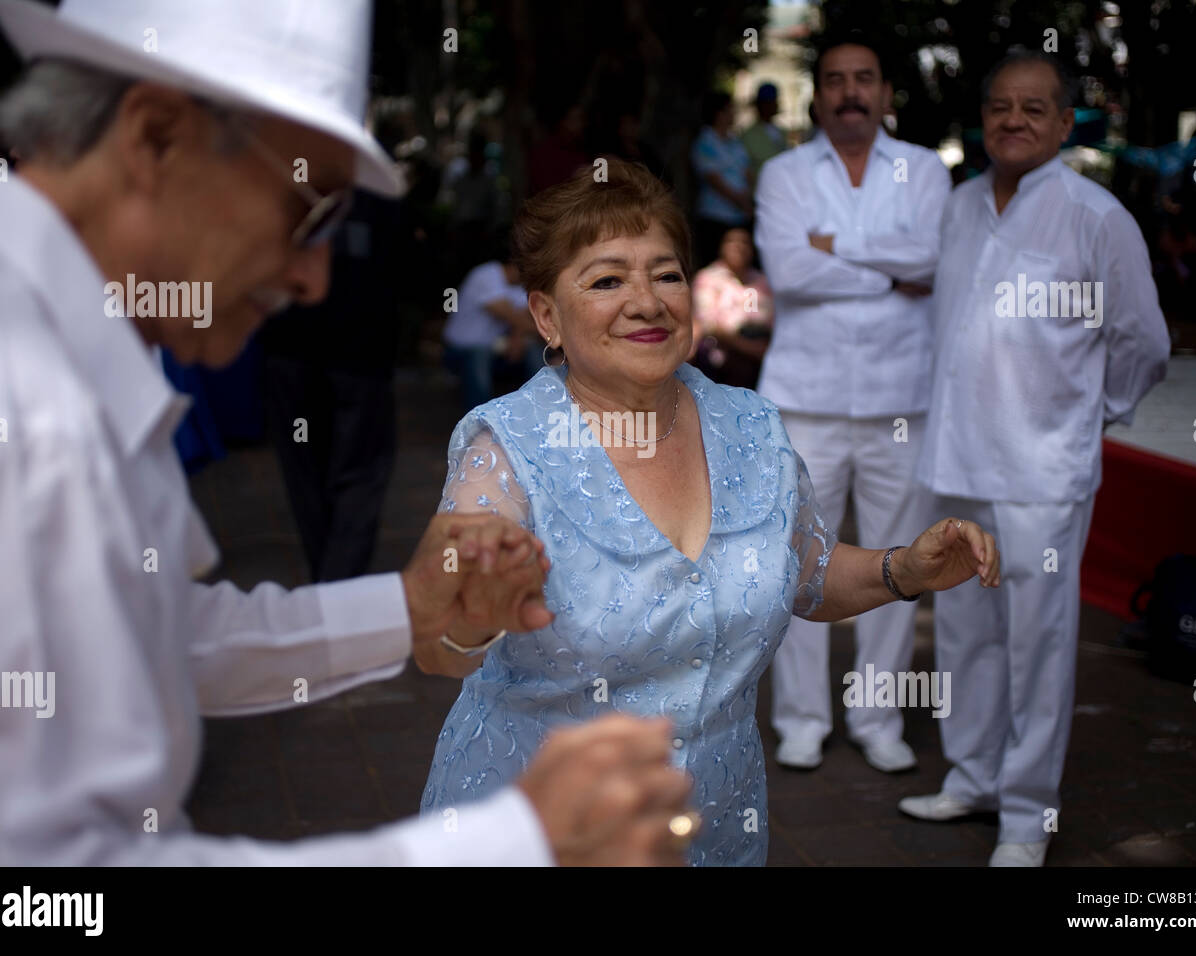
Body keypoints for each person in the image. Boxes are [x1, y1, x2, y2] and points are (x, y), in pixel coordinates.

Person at [0, 0, 693, 866]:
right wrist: (508, 842)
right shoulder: (21, 412)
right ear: (155, 138)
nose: (312, 279)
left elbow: (148, 633)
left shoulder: (39, 346)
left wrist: (405, 610)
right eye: (308, 214)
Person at [419, 160, 1001, 866]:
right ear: (547, 315)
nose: (646, 302)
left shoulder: (750, 426)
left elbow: (809, 574)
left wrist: (901, 568)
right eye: (607, 280)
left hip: (716, 825)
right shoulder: (507, 448)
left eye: (664, 274)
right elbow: (443, 643)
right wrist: (475, 609)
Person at [901, 49, 1171, 866]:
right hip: (956, 463)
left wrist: (1095, 413)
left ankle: (1026, 817)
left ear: (1062, 123)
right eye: (999, 107)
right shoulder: (957, 205)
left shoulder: (1095, 217)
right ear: (982, 119)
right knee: (965, 636)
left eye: (1033, 109)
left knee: (1038, 646)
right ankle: (973, 777)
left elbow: (1144, 342)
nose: (1012, 121)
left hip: (1040, 474)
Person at [754, 31, 952, 774]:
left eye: (863, 78)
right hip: (805, 396)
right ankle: (802, 717)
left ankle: (878, 716)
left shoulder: (927, 170)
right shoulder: (783, 172)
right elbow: (790, 269)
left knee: (898, 563)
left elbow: (932, 259)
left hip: (903, 396)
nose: (849, 92)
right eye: (834, 80)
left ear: (885, 92)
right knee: (803, 561)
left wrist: (835, 246)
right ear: (817, 94)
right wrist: (883, 268)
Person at [260, 187, 401, 582]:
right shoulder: (377, 193)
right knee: (354, 476)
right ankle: (335, 586)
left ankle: (330, 584)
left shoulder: (284, 182)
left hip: (305, 354)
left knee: (310, 474)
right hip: (351, 358)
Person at [442, 239, 544, 412]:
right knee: (478, 354)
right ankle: (479, 420)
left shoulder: (520, 286)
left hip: (494, 351)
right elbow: (509, 314)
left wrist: (517, 337)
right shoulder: (486, 275)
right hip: (459, 351)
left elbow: (524, 317)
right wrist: (552, 334)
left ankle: (541, 406)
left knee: (533, 349)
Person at [690, 226, 773, 389]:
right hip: (718, 352)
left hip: (757, 352)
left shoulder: (762, 281)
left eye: (744, 242)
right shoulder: (708, 278)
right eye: (732, 241)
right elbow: (707, 323)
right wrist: (746, 347)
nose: (738, 246)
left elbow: (770, 319)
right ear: (721, 247)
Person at [690, 91, 752, 268]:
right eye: (730, 109)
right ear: (718, 113)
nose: (733, 113)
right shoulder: (705, 141)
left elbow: (747, 173)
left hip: (739, 217)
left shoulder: (736, 142)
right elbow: (714, 180)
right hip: (715, 217)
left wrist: (747, 202)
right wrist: (742, 201)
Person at [739, 82, 786, 185]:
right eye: (771, 102)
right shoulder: (748, 135)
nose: (775, 105)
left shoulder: (781, 131)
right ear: (762, 105)